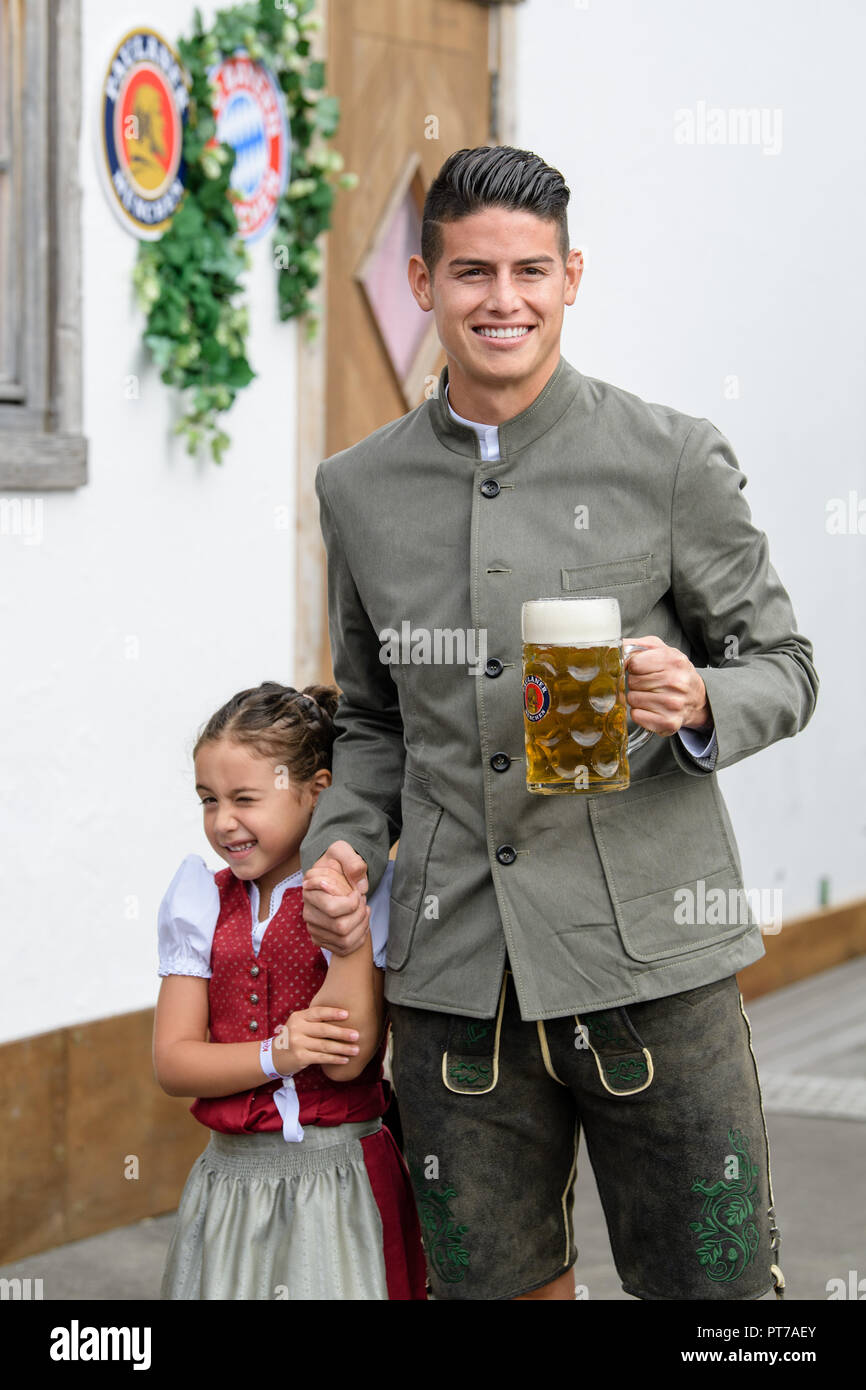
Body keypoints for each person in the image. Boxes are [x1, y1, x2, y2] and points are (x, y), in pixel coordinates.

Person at [300, 146, 819, 1302]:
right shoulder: (356, 485)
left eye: (530, 270)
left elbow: (784, 666)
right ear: (422, 282)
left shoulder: (669, 456)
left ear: (571, 276)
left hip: (651, 967)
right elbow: (370, 718)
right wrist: (336, 844)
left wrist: (696, 700)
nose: (503, 300)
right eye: (472, 271)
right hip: (452, 981)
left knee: (718, 1297)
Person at [153, 680, 427, 1300]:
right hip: (229, 1180)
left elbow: (346, 1056)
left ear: (317, 791)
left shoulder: (363, 894)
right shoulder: (200, 901)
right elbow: (173, 1062)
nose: (224, 822)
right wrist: (275, 1053)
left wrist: (346, 924)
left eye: (245, 799)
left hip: (338, 1178)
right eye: (208, 800)